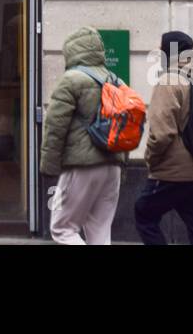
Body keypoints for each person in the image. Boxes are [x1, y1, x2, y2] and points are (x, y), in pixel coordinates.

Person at [38, 26, 125, 245]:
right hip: (112, 167)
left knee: (62, 228)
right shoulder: (116, 80)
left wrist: (49, 167)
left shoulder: (71, 80)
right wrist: (122, 164)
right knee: (100, 233)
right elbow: (127, 127)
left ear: (72, 51)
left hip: (82, 166)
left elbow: (55, 127)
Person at [134, 31, 193, 245]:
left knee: (144, 214)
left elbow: (161, 134)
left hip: (173, 173)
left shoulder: (169, 81)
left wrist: (151, 160)